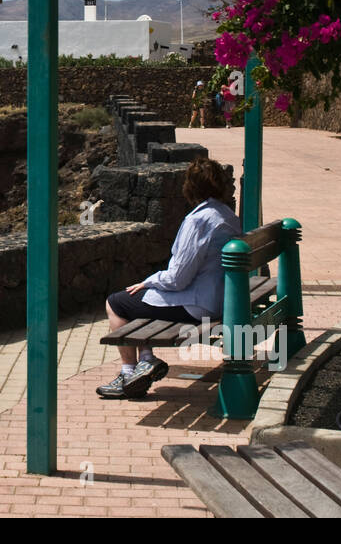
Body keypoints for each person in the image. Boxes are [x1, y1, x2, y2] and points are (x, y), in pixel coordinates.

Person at [97, 156, 242, 399]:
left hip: (198, 305)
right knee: (141, 299)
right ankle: (146, 360)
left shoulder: (198, 221)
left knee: (116, 302)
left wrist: (148, 281)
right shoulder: (227, 215)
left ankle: (129, 371)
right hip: (221, 297)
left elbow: (178, 279)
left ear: (190, 187)